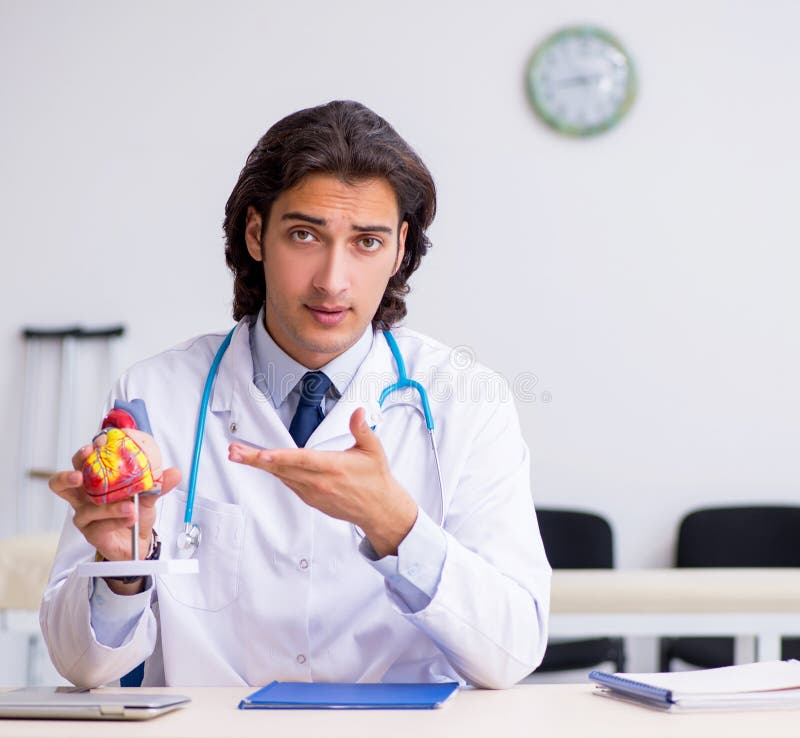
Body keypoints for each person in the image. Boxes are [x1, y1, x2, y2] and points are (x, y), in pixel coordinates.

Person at [41, 100, 551, 689]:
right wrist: (121, 567)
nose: (332, 281)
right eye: (305, 235)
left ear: (399, 248)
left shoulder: (467, 402)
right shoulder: (155, 394)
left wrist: (397, 527)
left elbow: (512, 652)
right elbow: (81, 667)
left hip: (401, 732)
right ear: (257, 233)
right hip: (215, 732)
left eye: (366, 241)